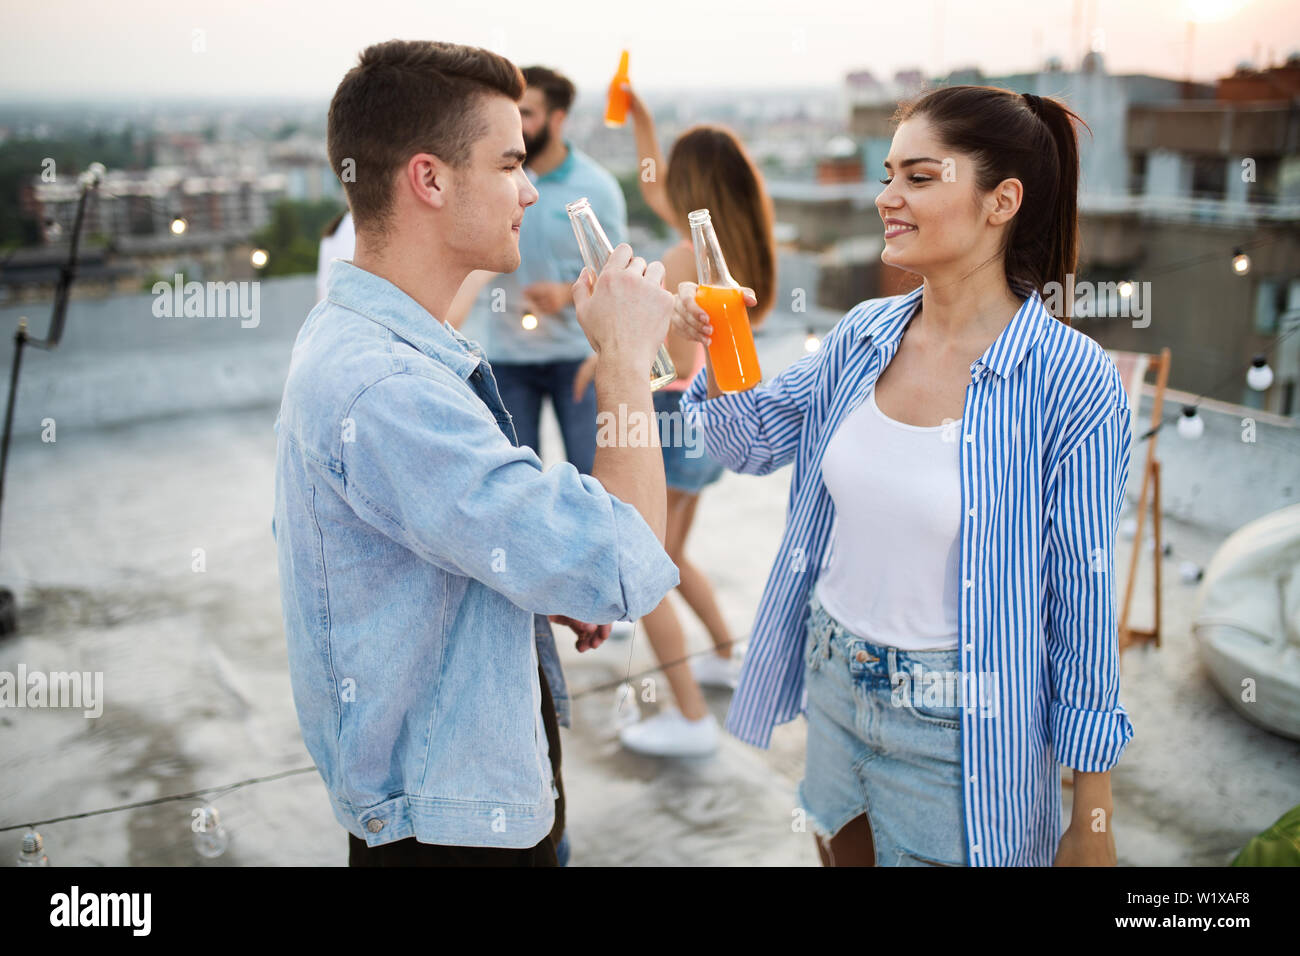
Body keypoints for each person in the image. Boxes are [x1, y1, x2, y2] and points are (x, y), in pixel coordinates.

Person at [675, 86, 1134, 866]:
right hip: (835, 679)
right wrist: (714, 344)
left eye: (919, 178)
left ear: (1003, 201)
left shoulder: (1070, 379)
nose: (887, 197)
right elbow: (748, 441)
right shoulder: (862, 335)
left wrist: (1091, 811)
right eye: (890, 175)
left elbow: (1081, 598)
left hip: (962, 725)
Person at [272, 39, 680, 867]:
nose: (530, 189)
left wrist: (519, 583)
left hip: (456, 798)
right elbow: (620, 566)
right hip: (452, 834)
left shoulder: (363, 339)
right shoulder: (389, 387)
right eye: (508, 164)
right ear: (430, 179)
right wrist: (627, 362)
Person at [586, 82, 777, 757]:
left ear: (690, 183)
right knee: (673, 556)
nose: (659, 181)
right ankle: (726, 655)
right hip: (706, 425)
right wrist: (639, 114)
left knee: (644, 573)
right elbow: (656, 189)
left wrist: (603, 352)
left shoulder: (676, 261)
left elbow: (651, 358)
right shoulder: (731, 247)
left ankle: (691, 716)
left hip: (666, 420)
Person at [457, 65, 628, 477]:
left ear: (558, 119)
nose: (519, 123)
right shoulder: (491, 179)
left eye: (529, 113)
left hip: (578, 355)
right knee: (514, 481)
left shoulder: (599, 187)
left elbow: (618, 275)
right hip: (507, 358)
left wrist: (568, 291)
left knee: (593, 478)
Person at [315, 209, 354, 304]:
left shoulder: (334, 231)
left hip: (329, 305)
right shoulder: (355, 225)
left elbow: (321, 283)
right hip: (347, 305)